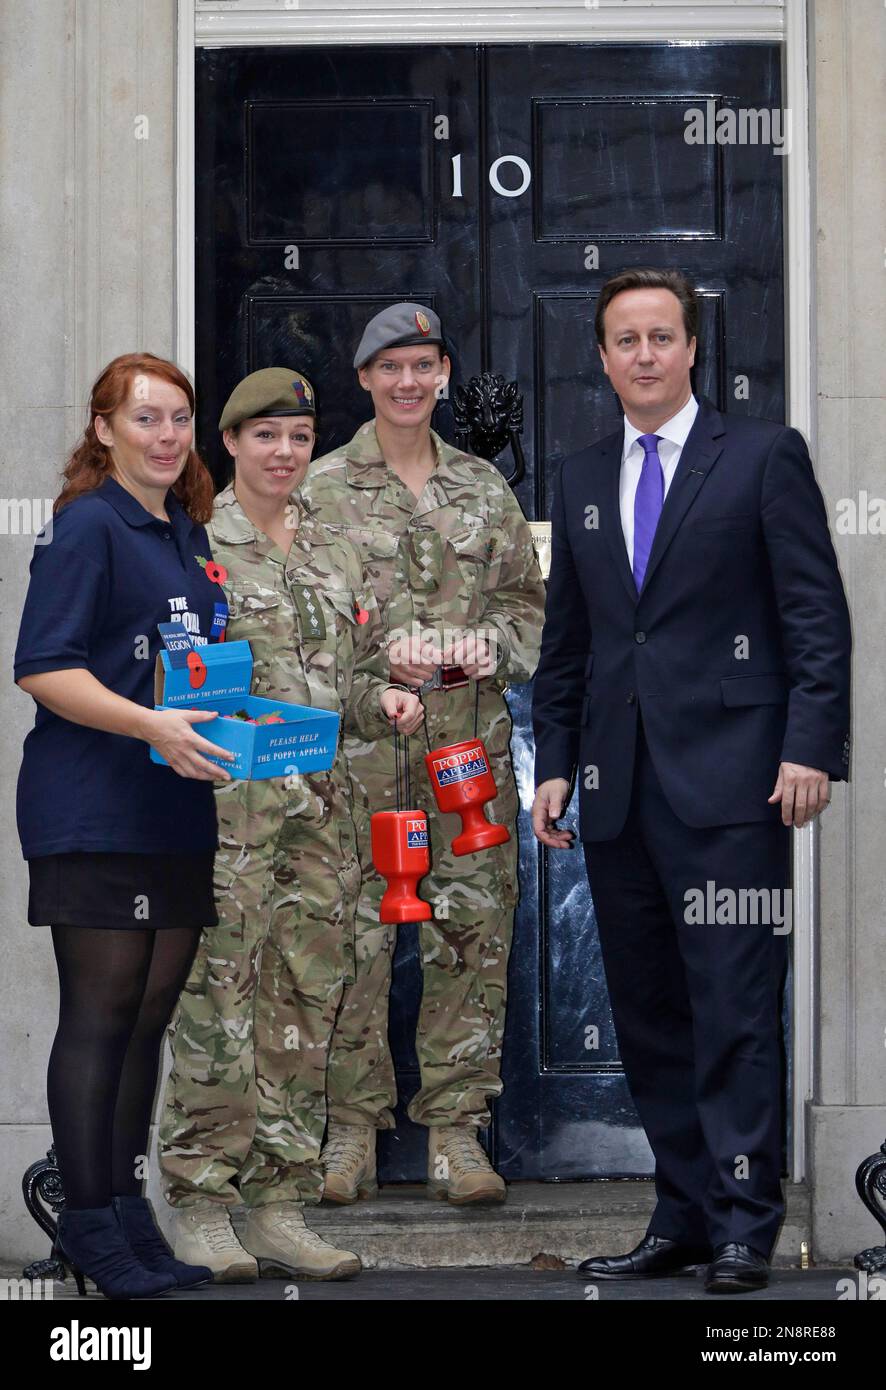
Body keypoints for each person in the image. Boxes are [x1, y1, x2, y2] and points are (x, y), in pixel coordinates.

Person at [531, 268, 852, 1293]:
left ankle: (744, 1224)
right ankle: (680, 1212)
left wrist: (809, 747)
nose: (643, 355)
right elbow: (569, 641)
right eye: (623, 339)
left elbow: (813, 617)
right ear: (602, 356)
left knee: (732, 1007)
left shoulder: (760, 457)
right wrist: (550, 764)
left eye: (660, 337)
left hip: (733, 789)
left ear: (690, 348)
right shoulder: (579, 475)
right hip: (616, 789)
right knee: (650, 1013)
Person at [158, 368, 423, 1281]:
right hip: (229, 823)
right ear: (228, 444)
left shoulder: (335, 550)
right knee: (218, 1009)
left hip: (324, 824)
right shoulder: (195, 547)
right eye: (265, 436)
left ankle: (278, 1203)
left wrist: (383, 694)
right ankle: (199, 1200)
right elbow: (178, 683)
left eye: (300, 438)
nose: (284, 453)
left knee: (306, 1010)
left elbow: (349, 677)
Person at [303, 304, 546, 1205]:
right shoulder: (319, 491)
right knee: (350, 941)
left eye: (424, 365)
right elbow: (298, 627)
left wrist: (490, 645)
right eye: (390, 367)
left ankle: (456, 1136)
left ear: (443, 374)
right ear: (364, 379)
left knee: (472, 935)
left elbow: (529, 611)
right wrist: (375, 659)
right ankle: (348, 1137)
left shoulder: (485, 490)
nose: (408, 383)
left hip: (466, 756)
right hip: (359, 759)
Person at [13, 352, 239, 1299]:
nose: (166, 436)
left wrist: (246, 723)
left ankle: (126, 1210)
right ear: (104, 429)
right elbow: (43, 668)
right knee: (100, 1019)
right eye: (145, 419)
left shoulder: (185, 533)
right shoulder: (87, 529)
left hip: (174, 805)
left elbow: (194, 672)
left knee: (147, 1023)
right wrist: (150, 723)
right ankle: (87, 1224)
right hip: (96, 807)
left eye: (179, 419)